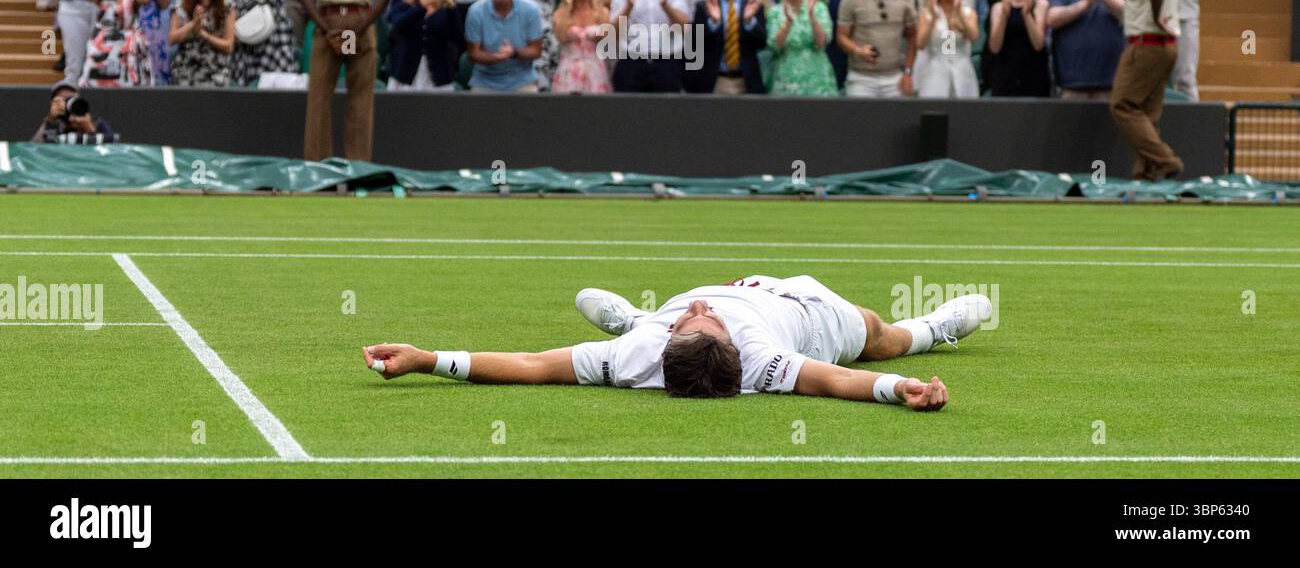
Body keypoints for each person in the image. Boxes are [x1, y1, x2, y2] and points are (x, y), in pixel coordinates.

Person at [361, 275, 993, 406]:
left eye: (693, 321)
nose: (698, 308)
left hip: (722, 304)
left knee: (641, 322)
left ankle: (638, 315)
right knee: (879, 335)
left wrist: (427, 359)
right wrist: (900, 387)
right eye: (700, 319)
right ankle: (931, 331)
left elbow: (530, 364)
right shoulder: (766, 360)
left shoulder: (638, 357)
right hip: (808, 315)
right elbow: (838, 377)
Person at [298, 0, 393, 159]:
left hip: (328, 23)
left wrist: (326, 28)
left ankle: (317, 166)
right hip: (357, 23)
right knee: (360, 97)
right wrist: (359, 28)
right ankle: (358, 165)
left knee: (319, 98)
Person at [1110, 0, 1183, 180]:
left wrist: (1155, 16)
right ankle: (1145, 172)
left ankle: (1166, 160)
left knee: (1122, 105)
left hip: (1146, 44)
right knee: (1148, 111)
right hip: (1166, 45)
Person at [1047, 0, 1127, 99]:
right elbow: (1051, 19)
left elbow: (1130, 15)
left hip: (1113, 83)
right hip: (1072, 83)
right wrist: (1084, 4)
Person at [836, 0, 918, 98]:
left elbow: (914, 36)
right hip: (861, 77)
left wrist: (908, 71)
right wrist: (858, 50)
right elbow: (841, 36)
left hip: (898, 75)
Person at [685, 0, 766, 95]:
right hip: (715, 82)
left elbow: (762, 43)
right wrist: (713, 23)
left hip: (746, 83)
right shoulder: (704, 6)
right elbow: (694, 47)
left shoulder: (753, 5)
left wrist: (749, 21)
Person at [464, 0, 545, 92]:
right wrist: (495, 58)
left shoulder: (530, 9)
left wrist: (514, 53)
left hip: (522, 80)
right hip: (484, 81)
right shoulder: (475, 11)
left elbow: (536, 51)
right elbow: (473, 53)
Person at [386, 0, 465, 91]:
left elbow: (458, 39)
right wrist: (422, 5)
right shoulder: (402, 6)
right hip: (405, 75)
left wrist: (450, 3)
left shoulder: (446, 11)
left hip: (438, 77)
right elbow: (398, 27)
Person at [984, 0, 1051, 96]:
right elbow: (994, 47)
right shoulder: (998, 7)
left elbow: (1038, 45)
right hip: (1005, 74)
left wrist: (1027, 14)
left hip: (1033, 74)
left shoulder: (1041, 5)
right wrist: (1004, 14)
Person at [766, 0, 836, 96]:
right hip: (785, 77)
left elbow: (822, 43)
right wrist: (788, 23)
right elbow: (775, 46)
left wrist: (812, 17)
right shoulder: (774, 12)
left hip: (817, 78)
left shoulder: (819, 8)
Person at [169, 0, 236, 87]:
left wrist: (202, 34)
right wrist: (192, 24)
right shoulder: (180, 4)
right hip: (185, 72)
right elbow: (172, 38)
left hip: (216, 73)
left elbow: (228, 46)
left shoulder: (226, 6)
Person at [914, 0, 980, 98]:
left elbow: (973, 37)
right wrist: (933, 18)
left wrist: (958, 10)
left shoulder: (968, 13)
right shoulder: (926, 14)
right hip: (935, 76)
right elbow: (920, 44)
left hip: (963, 73)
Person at [551, 0, 614, 93]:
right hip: (569, 71)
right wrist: (569, 5)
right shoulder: (561, 13)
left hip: (595, 71)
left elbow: (608, 38)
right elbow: (562, 36)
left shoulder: (602, 12)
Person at [32, 81, 116, 144]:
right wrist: (50, 120)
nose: (68, 102)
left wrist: (90, 130)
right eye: (63, 99)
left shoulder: (97, 123)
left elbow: (112, 150)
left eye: (71, 98)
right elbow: (35, 149)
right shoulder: (53, 124)